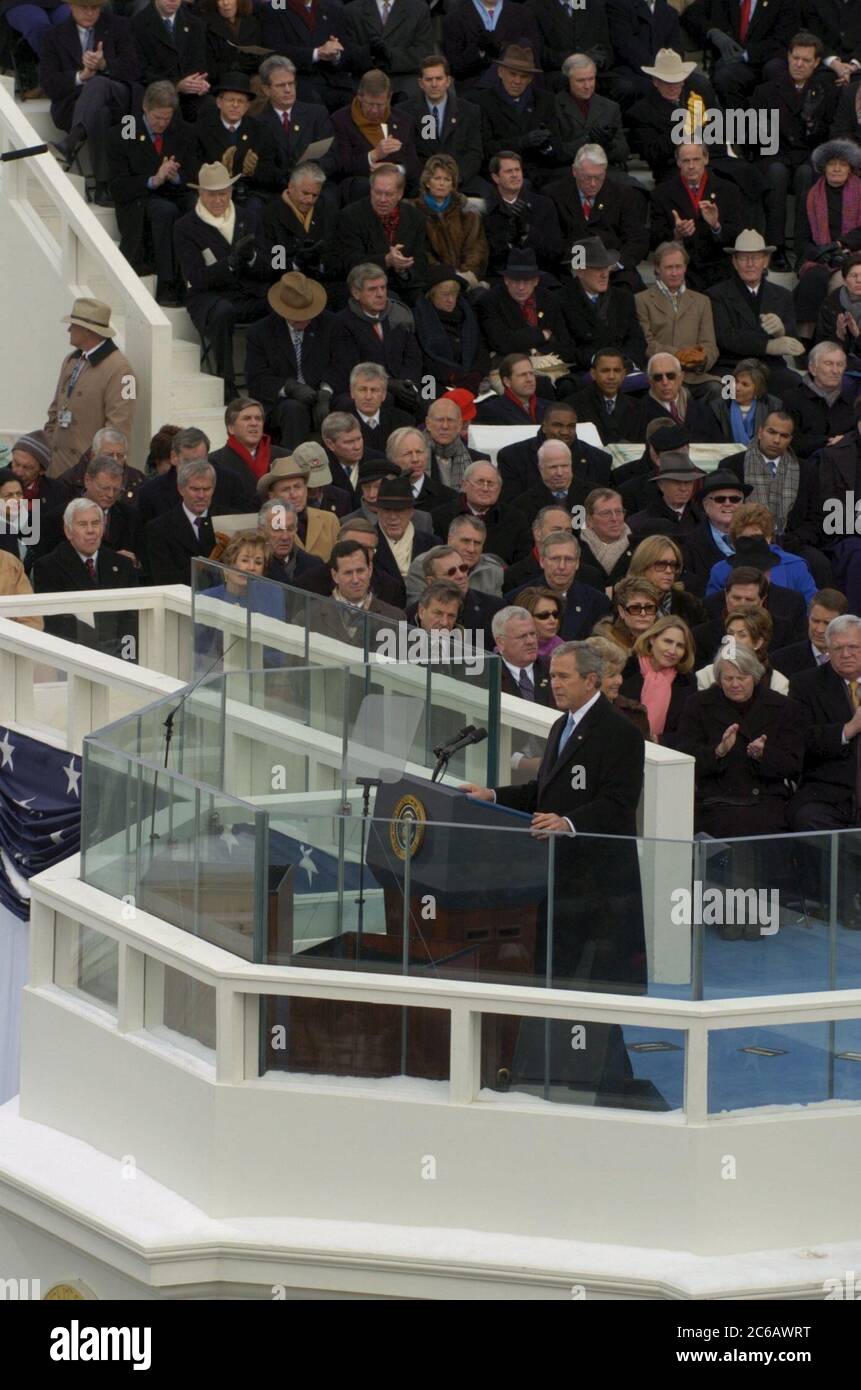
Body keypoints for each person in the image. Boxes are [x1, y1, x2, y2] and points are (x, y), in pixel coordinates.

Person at [460, 640, 651, 1105]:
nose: (554, 684)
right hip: (557, 881)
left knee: (593, 984)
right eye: (553, 676)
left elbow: (619, 802)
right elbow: (543, 791)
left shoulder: (620, 733)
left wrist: (570, 824)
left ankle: (606, 1080)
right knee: (559, 978)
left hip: (599, 886)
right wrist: (494, 796)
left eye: (563, 677)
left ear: (591, 680)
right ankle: (566, 1071)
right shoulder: (561, 727)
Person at [676, 644, 805, 938]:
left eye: (741, 677)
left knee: (759, 826)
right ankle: (732, 918)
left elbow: (793, 764)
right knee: (730, 824)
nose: (734, 684)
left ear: (755, 676)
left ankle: (753, 918)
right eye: (727, 678)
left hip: (766, 795)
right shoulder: (698, 705)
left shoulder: (784, 707)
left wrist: (763, 754)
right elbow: (685, 756)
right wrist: (718, 751)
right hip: (717, 796)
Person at [173, 162, 270, 400]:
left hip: (248, 293)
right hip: (209, 297)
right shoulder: (185, 226)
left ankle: (269, 380)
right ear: (200, 193)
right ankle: (226, 383)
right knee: (223, 311)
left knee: (278, 304)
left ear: (231, 192)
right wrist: (230, 263)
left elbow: (268, 266)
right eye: (212, 195)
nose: (218, 200)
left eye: (223, 194)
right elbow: (195, 278)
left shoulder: (249, 217)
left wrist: (251, 258)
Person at [107, 81, 198, 307]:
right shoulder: (125, 131)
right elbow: (118, 186)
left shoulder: (182, 130)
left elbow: (192, 174)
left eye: (166, 118)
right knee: (164, 210)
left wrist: (175, 176)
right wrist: (153, 180)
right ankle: (167, 283)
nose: (161, 124)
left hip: (174, 193)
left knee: (196, 205)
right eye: (157, 118)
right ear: (145, 109)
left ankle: (194, 278)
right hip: (139, 200)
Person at [41, 0, 139, 205]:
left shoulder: (119, 26)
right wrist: (81, 76)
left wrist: (104, 64)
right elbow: (49, 85)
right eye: (83, 8)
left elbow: (134, 71)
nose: (89, 13)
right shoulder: (53, 35)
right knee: (99, 112)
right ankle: (103, 187)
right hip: (74, 104)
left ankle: (69, 143)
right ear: (71, 7)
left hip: (118, 99)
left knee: (100, 82)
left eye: (94, 8)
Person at [752, 33, 837, 269]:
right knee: (777, 172)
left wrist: (813, 126)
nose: (799, 64)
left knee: (805, 174)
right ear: (788, 57)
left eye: (806, 60)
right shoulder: (765, 91)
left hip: (808, 155)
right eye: (796, 58)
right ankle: (776, 247)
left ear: (817, 63)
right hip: (774, 154)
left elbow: (830, 133)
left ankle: (802, 249)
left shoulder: (827, 92)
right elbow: (755, 135)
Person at [723, 409, 829, 586]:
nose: (777, 440)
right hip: (743, 542)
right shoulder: (732, 465)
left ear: (790, 439)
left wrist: (793, 539)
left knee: (820, 563)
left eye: (784, 435)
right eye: (771, 432)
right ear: (760, 431)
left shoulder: (806, 470)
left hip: (791, 542)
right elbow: (725, 510)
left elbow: (816, 518)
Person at [32, 497, 138, 655]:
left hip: (122, 652)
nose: (91, 530)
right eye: (82, 524)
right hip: (74, 655)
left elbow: (132, 615)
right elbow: (55, 621)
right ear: (68, 531)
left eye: (96, 523)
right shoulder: (47, 567)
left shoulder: (123, 564)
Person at [43, 298, 136, 479]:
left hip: (86, 475)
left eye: (73, 325)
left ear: (87, 330)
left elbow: (118, 429)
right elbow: (55, 411)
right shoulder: (72, 360)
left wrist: (100, 473)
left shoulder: (120, 369)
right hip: (56, 468)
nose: (69, 329)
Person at [244, 272, 336, 448]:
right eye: (297, 315)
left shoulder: (330, 324)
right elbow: (256, 379)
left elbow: (340, 363)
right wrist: (290, 387)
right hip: (282, 401)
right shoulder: (260, 332)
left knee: (349, 402)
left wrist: (326, 391)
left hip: (321, 393)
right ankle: (291, 469)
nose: (305, 319)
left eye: (308, 314)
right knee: (294, 409)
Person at [707, 229, 804, 392]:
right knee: (723, 392)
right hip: (731, 367)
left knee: (794, 383)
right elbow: (726, 337)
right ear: (734, 261)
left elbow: (793, 341)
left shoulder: (783, 295)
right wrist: (768, 345)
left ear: (766, 261)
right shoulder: (716, 295)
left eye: (756, 257)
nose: (750, 264)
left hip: (769, 367)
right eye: (744, 258)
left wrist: (782, 331)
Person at [544, 144, 648, 292]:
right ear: (575, 171)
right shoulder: (553, 195)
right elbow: (551, 241)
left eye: (599, 178)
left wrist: (614, 265)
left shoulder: (624, 195)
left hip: (612, 269)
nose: (593, 184)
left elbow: (637, 240)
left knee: (629, 285)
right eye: (587, 178)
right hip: (570, 267)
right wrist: (581, 266)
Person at [649, 144, 744, 294]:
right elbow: (654, 239)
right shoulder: (662, 193)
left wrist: (716, 226)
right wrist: (676, 234)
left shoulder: (728, 190)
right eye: (686, 161)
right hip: (682, 268)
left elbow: (737, 234)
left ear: (706, 159)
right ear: (678, 162)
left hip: (718, 267)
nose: (691, 166)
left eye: (696, 159)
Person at [635, 243, 720, 393]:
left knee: (717, 389)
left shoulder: (702, 301)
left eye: (678, 267)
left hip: (693, 376)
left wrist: (701, 360)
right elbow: (645, 343)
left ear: (685, 268)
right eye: (669, 267)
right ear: (657, 268)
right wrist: (677, 356)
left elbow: (710, 345)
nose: (674, 273)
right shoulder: (641, 300)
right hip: (659, 375)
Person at [794, 141, 861, 334]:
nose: (837, 168)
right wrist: (819, 254)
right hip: (821, 257)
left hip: (855, 255)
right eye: (832, 164)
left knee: (841, 280)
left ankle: (841, 338)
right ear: (824, 167)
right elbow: (801, 239)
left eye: (843, 164)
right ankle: (805, 339)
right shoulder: (809, 197)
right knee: (814, 277)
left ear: (851, 168)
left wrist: (840, 244)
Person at [331, 267, 423, 406]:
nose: (380, 294)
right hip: (365, 390)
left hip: (402, 386)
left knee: (429, 404)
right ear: (356, 293)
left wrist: (408, 383)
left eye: (383, 288)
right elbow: (350, 367)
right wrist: (388, 384)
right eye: (372, 289)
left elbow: (412, 357)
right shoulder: (342, 322)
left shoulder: (397, 315)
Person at [473, 44, 561, 185]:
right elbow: (485, 149)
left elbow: (556, 147)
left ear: (531, 78)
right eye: (512, 74)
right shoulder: (482, 102)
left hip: (538, 172)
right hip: (498, 175)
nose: (517, 81)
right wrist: (523, 142)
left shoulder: (546, 101)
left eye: (523, 76)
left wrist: (546, 146)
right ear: (500, 72)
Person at [395, 54, 484, 193]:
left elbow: (474, 153)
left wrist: (453, 179)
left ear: (448, 81)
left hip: (459, 181)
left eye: (439, 78)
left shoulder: (469, 111)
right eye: (429, 79)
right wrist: (429, 180)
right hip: (421, 183)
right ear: (420, 83)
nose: (434, 84)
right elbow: (405, 153)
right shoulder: (404, 112)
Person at [560, 236, 647, 373]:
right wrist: (599, 361)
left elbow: (637, 340)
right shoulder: (562, 301)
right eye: (597, 268)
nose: (604, 274)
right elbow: (566, 348)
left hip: (624, 371)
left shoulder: (623, 298)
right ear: (580, 271)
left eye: (606, 267)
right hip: (585, 374)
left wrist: (625, 362)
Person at [337, 162, 427, 296]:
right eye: (377, 192)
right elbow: (351, 261)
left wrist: (402, 269)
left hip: (405, 287)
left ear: (400, 194)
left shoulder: (415, 217)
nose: (382, 199)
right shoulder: (350, 216)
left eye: (389, 194)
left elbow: (420, 262)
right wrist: (386, 260)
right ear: (371, 189)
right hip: (365, 288)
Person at [498, 400, 612, 505]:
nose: (564, 432)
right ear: (544, 426)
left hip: (581, 521)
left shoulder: (599, 459)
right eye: (557, 425)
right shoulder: (512, 457)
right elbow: (511, 505)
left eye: (571, 426)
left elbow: (603, 505)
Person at [194, 71, 282, 207]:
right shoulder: (202, 129)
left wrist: (254, 170)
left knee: (256, 206)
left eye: (241, 101)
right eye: (230, 100)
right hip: (213, 193)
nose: (235, 105)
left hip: (250, 193)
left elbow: (273, 174)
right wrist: (218, 172)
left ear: (247, 106)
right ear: (219, 102)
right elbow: (193, 168)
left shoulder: (261, 131)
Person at [329, 67, 421, 195]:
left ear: (389, 98)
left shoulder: (404, 121)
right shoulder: (340, 120)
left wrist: (395, 169)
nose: (374, 110)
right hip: (360, 191)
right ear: (360, 96)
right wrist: (374, 155)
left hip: (397, 190)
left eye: (379, 105)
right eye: (369, 104)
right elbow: (340, 167)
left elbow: (414, 167)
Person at [258, 0, 359, 115]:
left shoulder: (333, 8)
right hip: (299, 78)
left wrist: (336, 54)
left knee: (357, 102)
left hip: (334, 79)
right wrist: (316, 53)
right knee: (313, 105)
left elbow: (348, 51)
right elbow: (275, 51)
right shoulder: (275, 6)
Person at [693, 563, 808, 662]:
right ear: (726, 596)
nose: (742, 604)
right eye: (736, 598)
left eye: (749, 599)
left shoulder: (782, 631)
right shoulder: (702, 635)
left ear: (762, 600)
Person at [476, 247, 573, 364]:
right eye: (516, 281)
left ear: (536, 281)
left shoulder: (549, 299)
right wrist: (542, 334)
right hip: (508, 368)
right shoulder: (490, 301)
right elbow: (503, 344)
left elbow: (565, 345)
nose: (521, 287)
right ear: (506, 280)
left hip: (549, 364)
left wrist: (538, 351)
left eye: (526, 281)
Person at [508, 529, 610, 638]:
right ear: (542, 561)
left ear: (577, 563)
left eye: (569, 559)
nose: (562, 566)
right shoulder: (516, 600)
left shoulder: (598, 602)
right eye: (555, 559)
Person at [706, 508, 818, 605]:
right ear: (734, 541)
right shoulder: (720, 571)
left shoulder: (795, 567)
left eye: (756, 538)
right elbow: (714, 611)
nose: (751, 545)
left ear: (769, 538)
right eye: (744, 539)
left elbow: (810, 608)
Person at [431, 460, 531, 566]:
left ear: (500, 489)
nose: (485, 488)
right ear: (464, 485)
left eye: (491, 483)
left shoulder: (515, 519)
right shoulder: (440, 516)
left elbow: (522, 562)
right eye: (480, 482)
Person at [482, 149, 563, 279]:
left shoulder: (544, 205)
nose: (515, 175)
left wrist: (527, 232)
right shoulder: (485, 210)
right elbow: (486, 258)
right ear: (495, 177)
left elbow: (555, 251)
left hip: (539, 275)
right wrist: (507, 237)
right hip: (501, 278)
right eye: (509, 171)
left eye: (517, 170)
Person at [261, 162, 339, 290]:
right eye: (305, 193)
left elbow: (335, 253)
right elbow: (275, 263)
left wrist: (320, 264)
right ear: (291, 187)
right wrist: (296, 264)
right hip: (286, 286)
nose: (309, 200)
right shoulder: (271, 215)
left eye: (315, 195)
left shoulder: (327, 211)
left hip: (322, 283)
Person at [410, 154, 487, 283]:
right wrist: (447, 275)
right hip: (432, 279)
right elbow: (421, 252)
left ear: (453, 184)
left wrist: (467, 274)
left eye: (447, 179)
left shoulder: (467, 213)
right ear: (427, 182)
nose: (442, 183)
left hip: (466, 278)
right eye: (437, 178)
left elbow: (476, 248)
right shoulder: (414, 212)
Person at [413, 268, 489, 398]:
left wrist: (476, 374)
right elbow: (422, 359)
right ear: (432, 295)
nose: (450, 300)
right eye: (444, 294)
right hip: (431, 379)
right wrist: (452, 376)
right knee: (433, 401)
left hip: (471, 379)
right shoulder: (420, 318)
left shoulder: (467, 315)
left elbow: (480, 348)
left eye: (454, 294)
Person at [620, 614, 696, 743]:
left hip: (662, 753)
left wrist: (657, 740)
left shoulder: (687, 682)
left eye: (680, 646)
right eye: (668, 641)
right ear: (652, 639)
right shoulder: (626, 668)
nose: (672, 651)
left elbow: (688, 731)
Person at [130, 0, 209, 124]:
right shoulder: (137, 24)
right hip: (155, 91)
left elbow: (199, 62)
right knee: (170, 111)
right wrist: (176, 85)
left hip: (190, 93)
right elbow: (140, 70)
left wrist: (199, 83)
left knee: (210, 108)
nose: (173, 1)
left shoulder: (195, 24)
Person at [312, 539, 405, 643]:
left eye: (360, 571)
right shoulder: (309, 617)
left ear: (370, 570)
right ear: (335, 575)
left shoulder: (395, 618)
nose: (355, 580)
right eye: (348, 573)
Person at [441, 0, 541, 96]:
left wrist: (501, 48)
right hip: (474, 92)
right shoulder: (454, 18)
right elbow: (456, 67)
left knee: (523, 44)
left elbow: (533, 57)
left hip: (518, 90)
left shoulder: (524, 14)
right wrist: (480, 52)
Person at [145, 459, 221, 584]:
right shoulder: (159, 529)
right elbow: (164, 578)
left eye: (206, 489)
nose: (201, 495)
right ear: (181, 489)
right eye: (195, 489)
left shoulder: (228, 519)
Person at [256, 58, 333, 180]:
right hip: (278, 189)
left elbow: (330, 155)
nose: (288, 90)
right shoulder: (258, 124)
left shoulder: (317, 114)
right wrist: (291, 183)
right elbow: (263, 168)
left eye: (291, 83)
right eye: (281, 85)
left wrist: (308, 178)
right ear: (266, 90)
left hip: (316, 184)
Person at [407, 544, 503, 642]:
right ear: (431, 581)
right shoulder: (410, 615)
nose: (461, 575)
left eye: (463, 568)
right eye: (451, 572)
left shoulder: (495, 609)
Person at [344, 0, 434, 102]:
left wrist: (390, 55)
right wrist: (372, 55)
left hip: (404, 78)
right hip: (365, 78)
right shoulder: (352, 10)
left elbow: (423, 53)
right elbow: (348, 55)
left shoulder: (419, 8)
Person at [782, 341, 857, 460]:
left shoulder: (854, 400)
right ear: (813, 368)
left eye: (840, 364)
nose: (835, 370)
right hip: (804, 467)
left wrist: (847, 440)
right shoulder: (791, 399)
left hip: (847, 467)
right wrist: (827, 441)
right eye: (828, 363)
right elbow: (787, 439)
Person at [255, 457, 339, 561]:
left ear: (306, 489)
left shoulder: (329, 520)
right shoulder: (266, 524)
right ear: (272, 496)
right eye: (285, 489)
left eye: (298, 487)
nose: (294, 495)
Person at [695, 604, 790, 694]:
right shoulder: (706, 675)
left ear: (758, 642)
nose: (732, 639)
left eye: (742, 635)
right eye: (730, 633)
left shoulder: (777, 684)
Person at [554, 53, 626, 167]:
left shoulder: (611, 107)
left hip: (605, 171)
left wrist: (607, 145)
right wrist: (589, 140)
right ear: (568, 80)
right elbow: (555, 153)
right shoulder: (552, 106)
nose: (587, 86)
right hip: (567, 171)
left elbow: (623, 153)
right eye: (581, 80)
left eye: (591, 79)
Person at [605, 5, 684, 108]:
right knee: (643, 88)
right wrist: (659, 76)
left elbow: (676, 47)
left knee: (700, 83)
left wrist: (670, 73)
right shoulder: (618, 6)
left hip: (667, 70)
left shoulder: (670, 11)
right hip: (632, 69)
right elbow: (626, 46)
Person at [682, 469, 751, 586]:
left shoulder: (758, 537)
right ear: (705, 504)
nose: (728, 503)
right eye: (720, 499)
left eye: (735, 499)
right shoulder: (689, 544)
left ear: (742, 503)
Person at [207, 397, 289, 490]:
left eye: (258, 419)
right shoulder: (214, 463)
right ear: (231, 428)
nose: (254, 423)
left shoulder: (285, 457)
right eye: (246, 418)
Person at [568, 347, 646, 444]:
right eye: (605, 371)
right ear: (593, 374)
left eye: (617, 371)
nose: (611, 376)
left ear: (623, 374)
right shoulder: (573, 406)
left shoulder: (639, 408)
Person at [701, 358, 784, 447]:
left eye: (745, 384)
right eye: (736, 381)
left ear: (758, 389)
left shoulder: (774, 406)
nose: (737, 387)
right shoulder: (717, 407)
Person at [628, 534, 706, 627]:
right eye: (661, 564)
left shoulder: (690, 605)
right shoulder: (626, 600)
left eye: (673, 565)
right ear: (643, 565)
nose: (669, 571)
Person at [627, 448, 706, 540]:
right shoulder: (637, 523)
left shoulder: (706, 521)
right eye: (676, 482)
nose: (683, 489)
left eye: (688, 482)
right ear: (661, 484)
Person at [509, 440, 592, 527]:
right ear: (540, 468)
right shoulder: (522, 505)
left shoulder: (594, 495)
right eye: (553, 467)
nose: (560, 473)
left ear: (571, 465)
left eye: (564, 466)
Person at [584, 633, 651, 738]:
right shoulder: (566, 702)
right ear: (589, 678)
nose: (619, 681)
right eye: (612, 675)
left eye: (620, 673)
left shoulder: (635, 715)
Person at [771, 588, 849, 676]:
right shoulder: (781, 660)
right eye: (815, 621)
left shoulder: (854, 661)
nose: (819, 629)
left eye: (827, 623)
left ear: (842, 624)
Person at [641, 351, 718, 435]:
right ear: (650, 382)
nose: (665, 382)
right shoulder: (639, 413)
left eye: (670, 376)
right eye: (658, 377)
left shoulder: (703, 411)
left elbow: (719, 445)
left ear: (681, 378)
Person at [257, 499, 327, 588]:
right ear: (261, 532)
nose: (285, 537)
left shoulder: (314, 566)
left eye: (290, 529)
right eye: (278, 530)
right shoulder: (251, 567)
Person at [492, 605, 553, 703]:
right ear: (501, 642)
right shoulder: (487, 676)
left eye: (533, 634)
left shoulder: (553, 668)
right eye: (522, 636)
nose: (531, 641)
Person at [386, 428, 456, 515]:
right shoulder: (381, 494)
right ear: (392, 459)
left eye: (419, 452)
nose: (415, 459)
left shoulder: (449, 498)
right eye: (407, 454)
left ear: (426, 455)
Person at [474, 353, 555, 427]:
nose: (529, 379)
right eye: (522, 375)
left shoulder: (550, 408)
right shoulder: (492, 411)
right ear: (507, 381)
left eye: (531, 373)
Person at [576, 487, 635, 586]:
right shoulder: (575, 549)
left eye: (619, 512)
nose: (614, 518)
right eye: (606, 513)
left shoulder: (638, 547)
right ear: (589, 520)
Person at [199, 0, 263, 86]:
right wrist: (236, 65)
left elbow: (260, 55)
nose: (226, 3)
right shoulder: (204, 27)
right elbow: (210, 68)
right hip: (221, 83)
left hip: (251, 78)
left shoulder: (253, 22)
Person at [594, 573, 662, 653]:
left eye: (649, 608)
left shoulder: (666, 641)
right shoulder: (603, 645)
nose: (643, 613)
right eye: (635, 608)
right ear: (621, 612)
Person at [422, 394, 477, 492]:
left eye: (450, 420)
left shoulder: (477, 460)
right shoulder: (414, 458)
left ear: (460, 424)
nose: (445, 426)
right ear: (428, 423)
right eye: (439, 420)